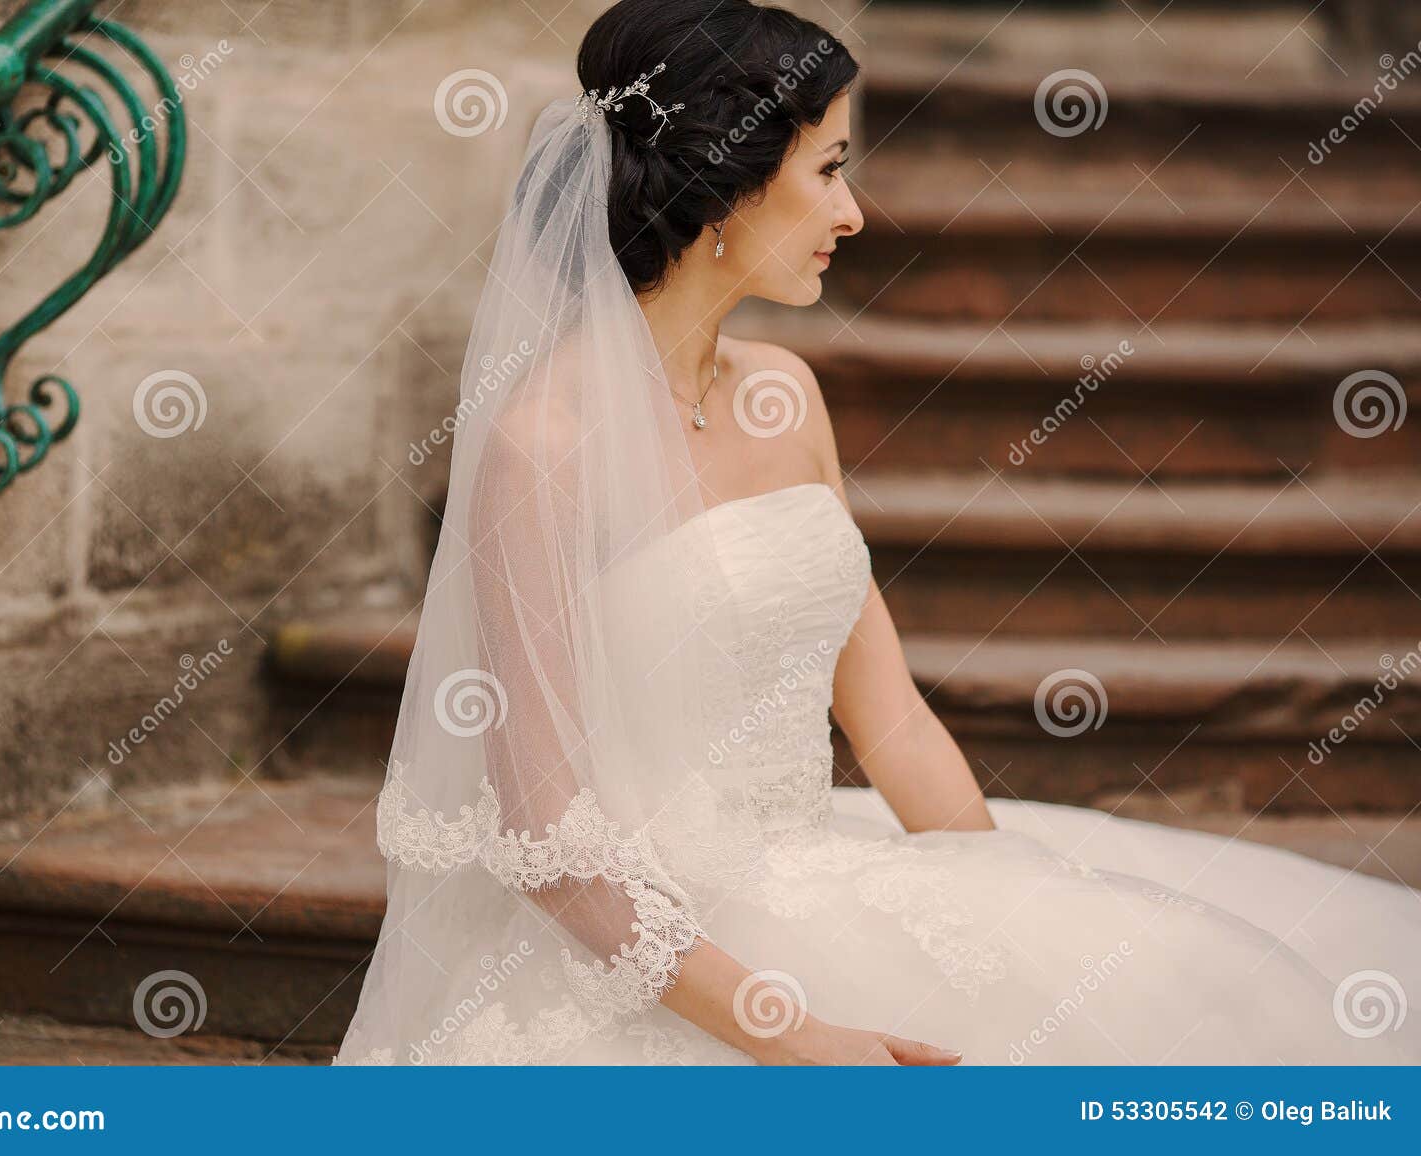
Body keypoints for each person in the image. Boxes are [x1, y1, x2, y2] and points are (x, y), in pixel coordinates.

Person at [333, 0, 1421, 1065]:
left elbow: (888, 715)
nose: (852, 215)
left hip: (816, 870)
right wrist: (792, 1033)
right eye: (829, 169)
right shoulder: (542, 446)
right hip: (658, 949)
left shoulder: (786, 395)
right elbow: (548, 846)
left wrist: (1012, 911)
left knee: (1196, 988)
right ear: (723, 184)